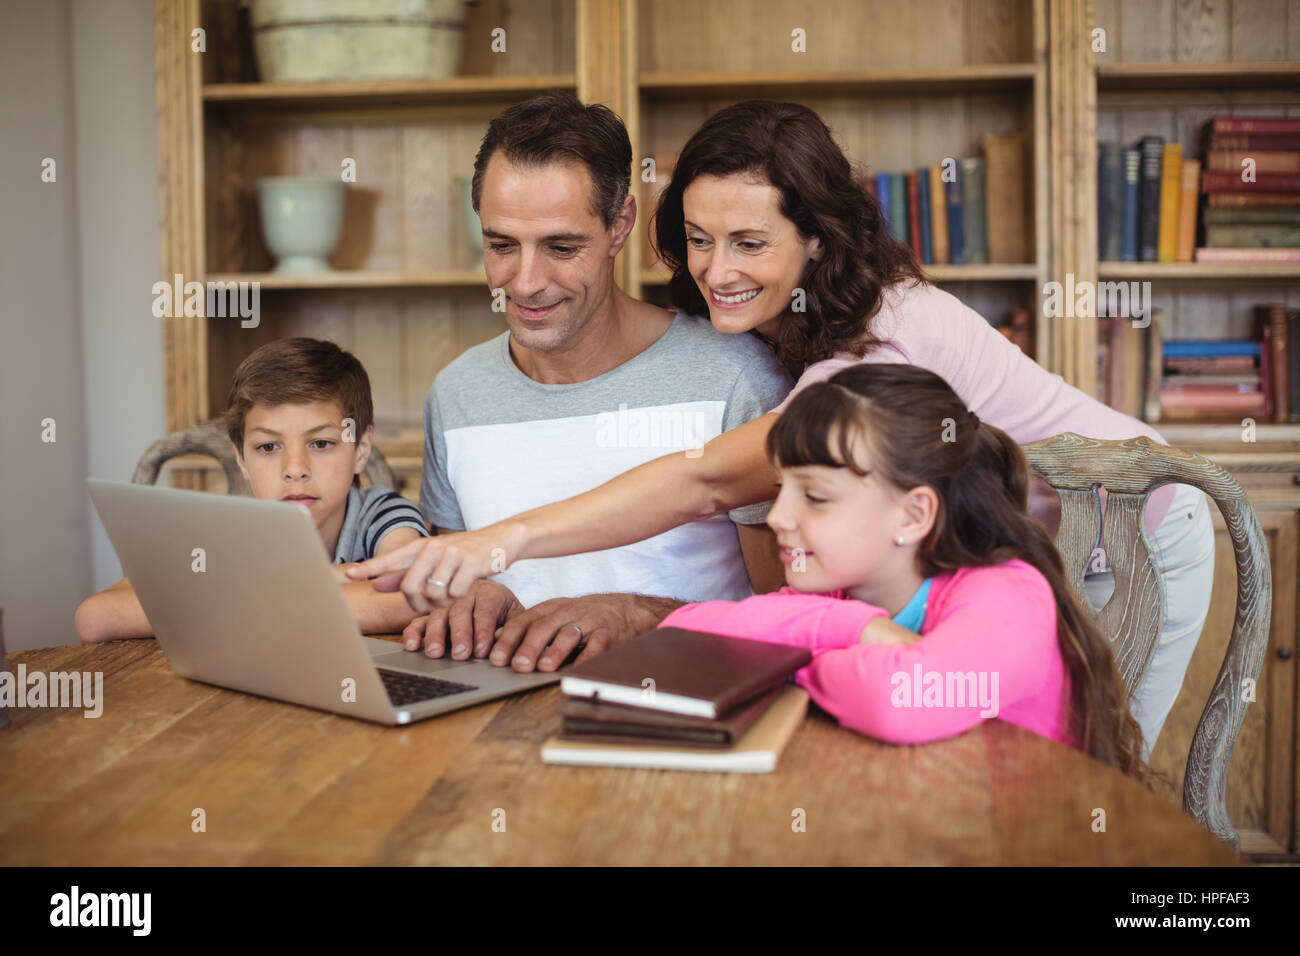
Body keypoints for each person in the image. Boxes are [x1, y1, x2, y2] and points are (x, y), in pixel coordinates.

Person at [351, 99, 1213, 757]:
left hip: (1136, 521)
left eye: (750, 244)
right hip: (1000, 555)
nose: (716, 271)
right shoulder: (770, 334)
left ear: (817, 239)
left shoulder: (876, 344)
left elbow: (709, 478)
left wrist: (501, 542)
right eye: (697, 239)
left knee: (1089, 768)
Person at [389, 91, 792, 671]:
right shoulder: (456, 393)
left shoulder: (739, 378)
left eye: (561, 247)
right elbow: (452, 583)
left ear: (620, 224)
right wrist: (467, 603)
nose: (525, 283)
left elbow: (790, 613)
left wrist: (642, 614)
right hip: (491, 721)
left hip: (676, 718)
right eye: (502, 245)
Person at [657, 363, 1150, 779]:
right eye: (780, 489)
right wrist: (854, 628)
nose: (777, 517)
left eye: (814, 497)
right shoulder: (838, 599)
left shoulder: (1009, 597)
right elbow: (682, 638)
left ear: (913, 515)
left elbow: (900, 701)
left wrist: (787, 663)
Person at [74, 337, 429, 642]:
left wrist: (234, 594)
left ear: (360, 451)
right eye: (268, 447)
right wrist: (336, 582)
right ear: (241, 459)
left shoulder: (384, 515)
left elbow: (412, 596)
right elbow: (96, 616)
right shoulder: (228, 531)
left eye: (320, 443)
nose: (294, 470)